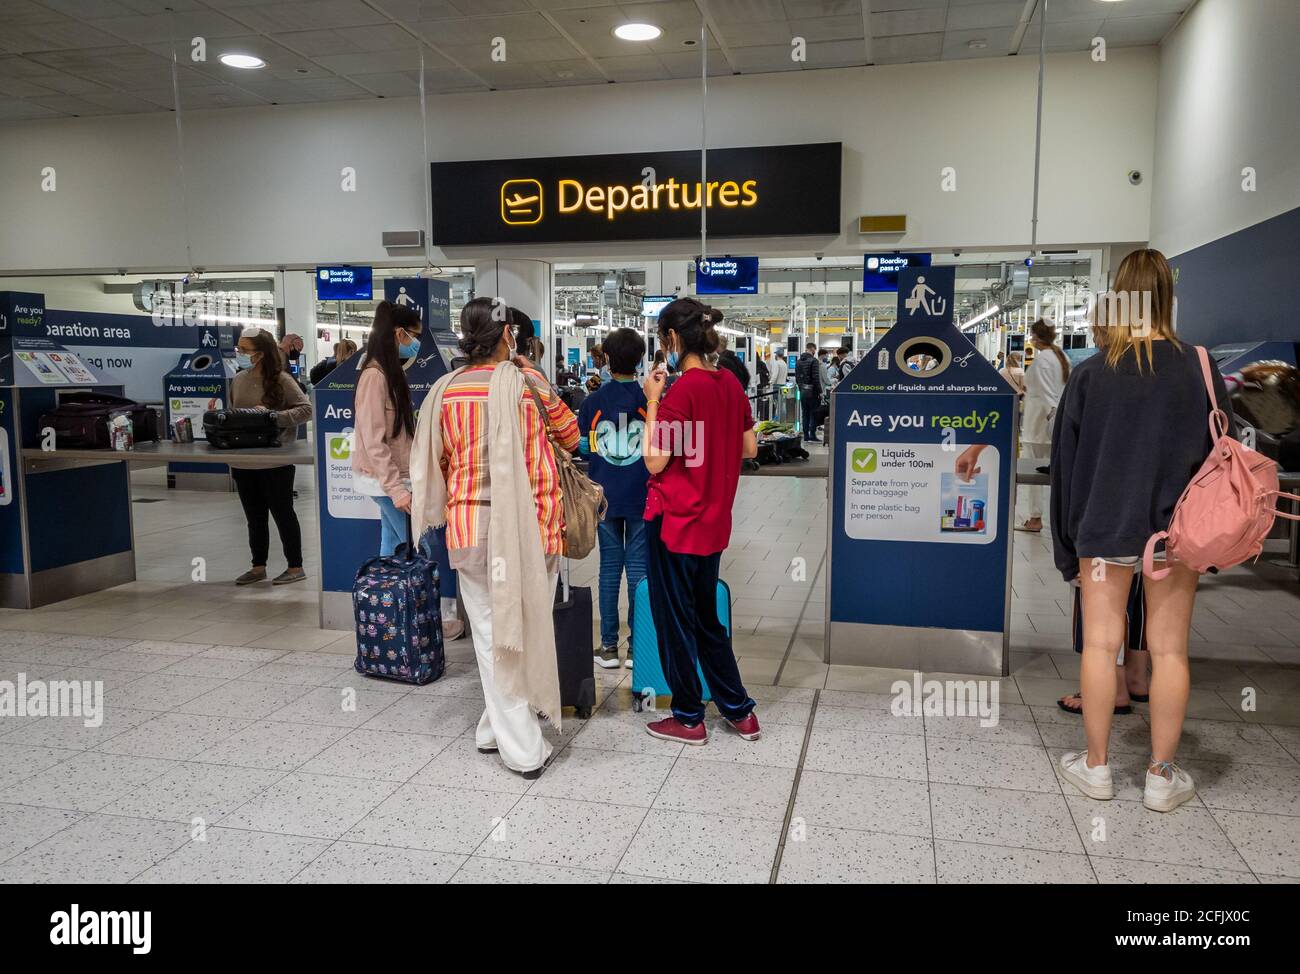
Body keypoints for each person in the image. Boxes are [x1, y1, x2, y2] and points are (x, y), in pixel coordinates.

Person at [1052, 248, 1236, 813]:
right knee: (1169, 649)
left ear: (1119, 295)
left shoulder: (1090, 373)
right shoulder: (1200, 367)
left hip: (1104, 527)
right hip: (1179, 533)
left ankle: (1098, 767)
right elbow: (1220, 455)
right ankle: (1160, 775)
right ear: (1167, 296)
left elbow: (1066, 466)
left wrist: (1066, 549)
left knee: (1102, 644)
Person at [409, 297, 580, 779]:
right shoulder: (528, 385)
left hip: (469, 529)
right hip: (532, 528)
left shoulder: (443, 391)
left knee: (489, 633)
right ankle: (523, 749)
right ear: (509, 336)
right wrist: (539, 378)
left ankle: (492, 727)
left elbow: (438, 464)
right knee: (520, 632)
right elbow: (571, 436)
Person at [641, 298, 760, 746]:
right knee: (709, 619)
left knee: (675, 621)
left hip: (675, 523)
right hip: (713, 523)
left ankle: (689, 716)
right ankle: (739, 711)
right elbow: (750, 448)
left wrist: (653, 402)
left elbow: (655, 460)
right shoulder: (729, 383)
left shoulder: (681, 392)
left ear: (671, 339)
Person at [577, 327, 649, 670]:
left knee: (608, 570)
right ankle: (637, 647)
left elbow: (584, 448)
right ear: (641, 360)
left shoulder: (592, 402)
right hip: (642, 495)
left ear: (607, 359)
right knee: (638, 572)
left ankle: (607, 647)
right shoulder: (649, 401)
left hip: (603, 495)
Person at [230, 329, 311, 585]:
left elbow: (306, 409)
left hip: (276, 459)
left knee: (283, 513)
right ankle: (258, 566)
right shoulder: (239, 379)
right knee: (254, 517)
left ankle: (295, 566)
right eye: (239, 349)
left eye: (245, 350)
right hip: (244, 459)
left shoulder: (282, 380)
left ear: (260, 353)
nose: (241, 354)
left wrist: (274, 417)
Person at [351, 302, 420, 556]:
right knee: (417, 548)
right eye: (414, 335)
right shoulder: (374, 376)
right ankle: (409, 596)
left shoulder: (392, 373)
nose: (416, 343)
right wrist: (396, 490)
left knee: (392, 545)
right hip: (385, 480)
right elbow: (373, 440)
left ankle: (387, 594)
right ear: (398, 333)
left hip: (393, 478)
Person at [1018, 320, 1069, 532]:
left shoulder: (1043, 361)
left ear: (1036, 337)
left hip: (1039, 426)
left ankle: (1035, 518)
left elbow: (1049, 395)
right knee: (1056, 475)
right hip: (1053, 425)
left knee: (1035, 476)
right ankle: (1060, 520)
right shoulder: (1061, 357)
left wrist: (1053, 418)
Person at [795, 342, 822, 442]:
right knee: (814, 413)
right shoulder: (814, 361)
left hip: (803, 391)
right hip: (813, 391)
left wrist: (801, 388)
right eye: (815, 350)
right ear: (813, 349)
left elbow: (797, 378)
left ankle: (805, 435)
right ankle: (812, 435)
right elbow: (815, 378)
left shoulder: (798, 362)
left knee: (805, 413)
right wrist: (820, 391)